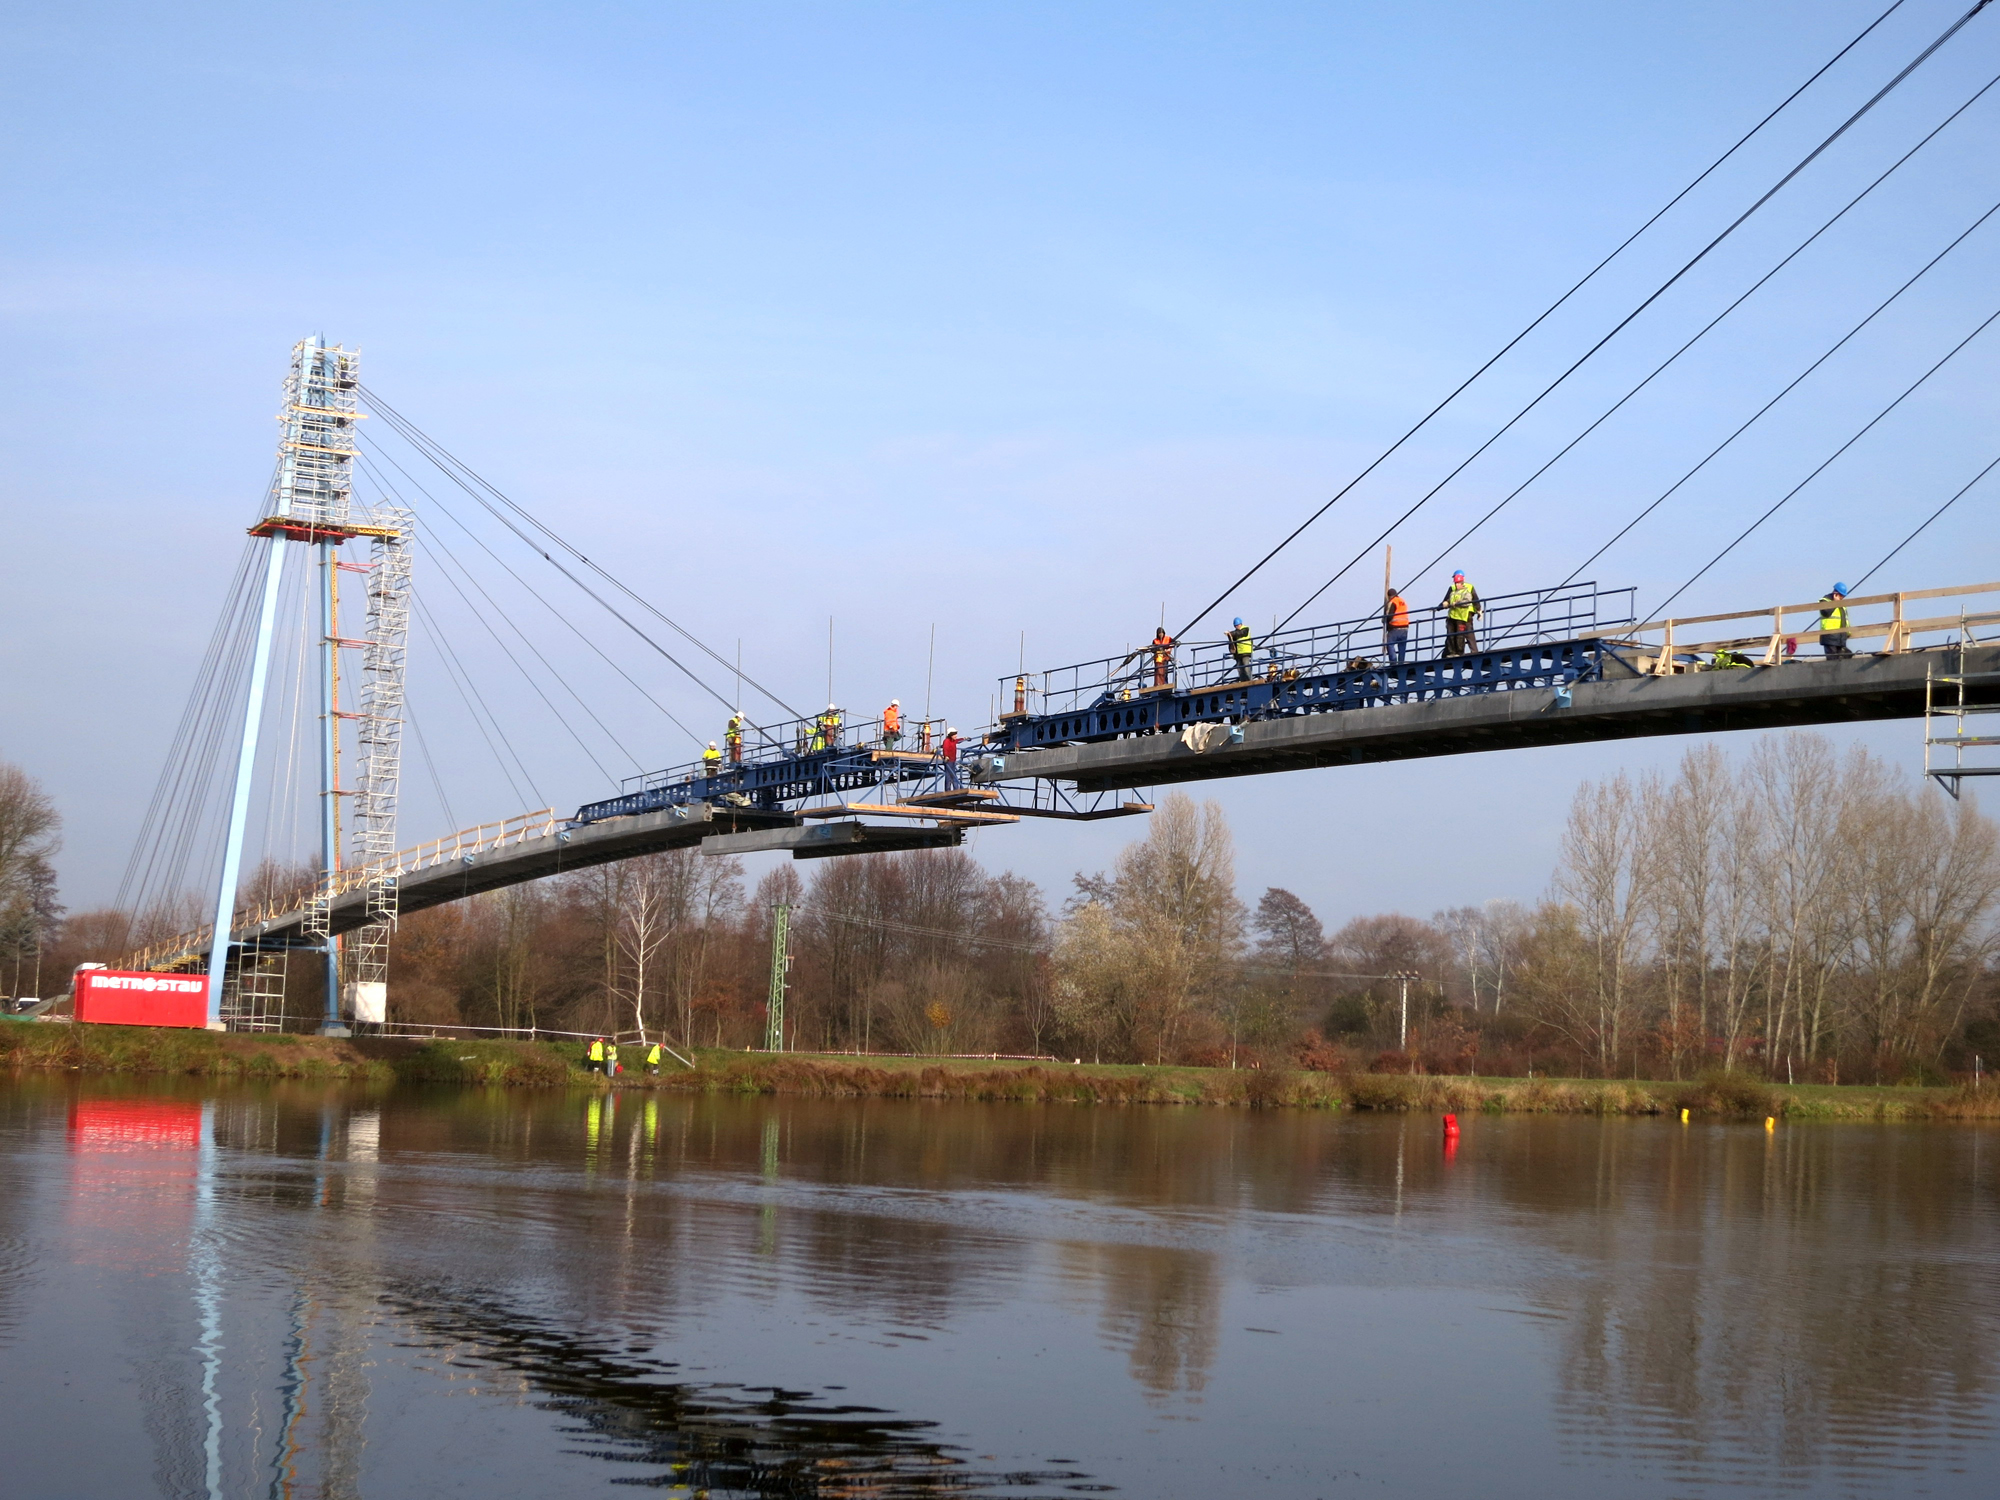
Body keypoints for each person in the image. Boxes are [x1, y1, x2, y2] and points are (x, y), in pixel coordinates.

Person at [1442, 571, 1480, 657]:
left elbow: (1470, 600)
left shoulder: (1466, 590)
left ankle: (1461, 652)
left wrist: (1479, 611)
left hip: (1463, 616)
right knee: (1451, 635)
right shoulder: (1453, 591)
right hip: (1453, 616)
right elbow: (1447, 600)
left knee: (1461, 635)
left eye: (1458, 582)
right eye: (1455, 583)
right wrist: (1445, 604)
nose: (1456, 585)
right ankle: (1451, 652)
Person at [1818, 582, 1853, 659]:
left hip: (1840, 638)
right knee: (1833, 661)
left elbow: (1844, 619)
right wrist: (1835, 603)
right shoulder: (1825, 601)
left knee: (1845, 658)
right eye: (1841, 595)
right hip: (1829, 637)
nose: (1842, 598)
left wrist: (1847, 632)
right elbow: (1825, 613)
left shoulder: (1842, 605)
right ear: (1836, 594)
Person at [1383, 586, 1410, 665]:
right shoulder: (1402, 601)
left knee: (1390, 644)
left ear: (1389, 596)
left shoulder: (1393, 601)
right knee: (1402, 646)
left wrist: (1384, 620)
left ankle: (1393, 662)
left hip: (1395, 627)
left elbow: (1389, 616)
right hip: (1405, 627)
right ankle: (1401, 662)